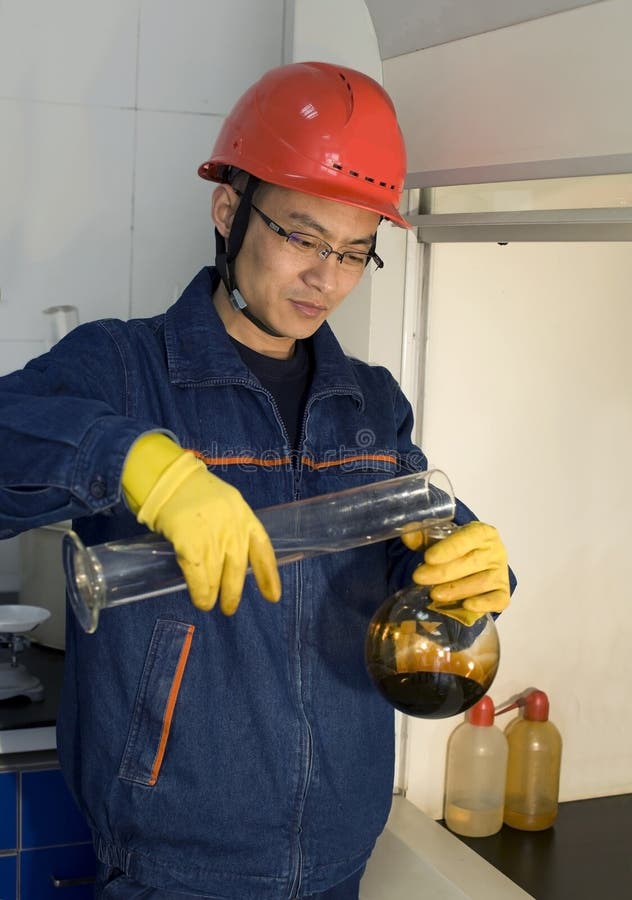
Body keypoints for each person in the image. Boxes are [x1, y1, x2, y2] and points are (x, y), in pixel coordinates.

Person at [0, 62, 513, 899]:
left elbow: (411, 552)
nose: (326, 278)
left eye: (353, 252)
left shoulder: (371, 404)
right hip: (174, 871)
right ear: (229, 208)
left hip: (343, 861)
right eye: (303, 238)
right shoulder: (124, 368)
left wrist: (466, 565)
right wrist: (135, 461)